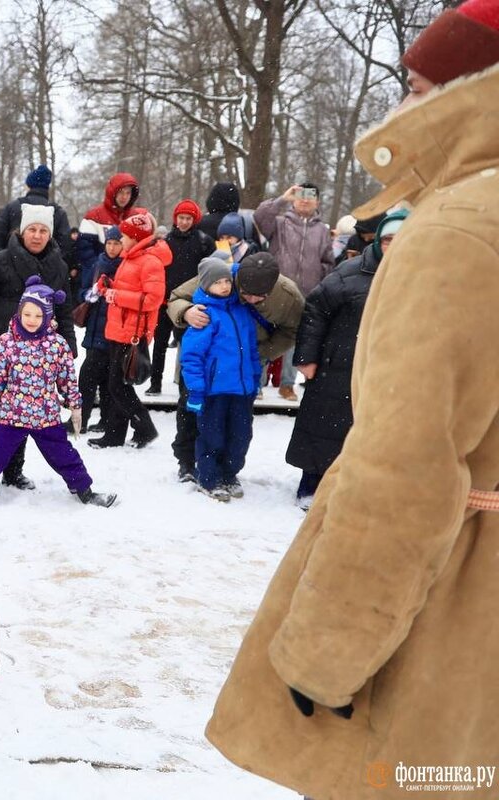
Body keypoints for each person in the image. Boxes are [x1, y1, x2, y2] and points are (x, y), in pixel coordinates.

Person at [206, 1, 499, 795]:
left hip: (453, 607)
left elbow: (405, 471)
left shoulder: (462, 232)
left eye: (416, 85)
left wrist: (326, 652)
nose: (402, 107)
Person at [0, 276, 116, 511]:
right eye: (27, 313)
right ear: (20, 311)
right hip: (11, 414)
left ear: (48, 316)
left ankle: (85, 491)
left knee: (64, 455)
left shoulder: (57, 345)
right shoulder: (7, 342)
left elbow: (67, 380)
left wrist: (76, 406)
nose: (32, 320)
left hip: (45, 416)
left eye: (39, 315)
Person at [285, 210, 407, 510]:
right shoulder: (351, 271)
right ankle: (311, 486)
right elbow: (315, 310)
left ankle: (360, 490)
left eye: (400, 239)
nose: (393, 245)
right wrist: (307, 357)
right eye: (388, 238)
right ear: (378, 240)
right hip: (338, 364)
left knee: (376, 432)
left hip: (390, 369)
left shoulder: (420, 276)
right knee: (325, 426)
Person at [0, 203, 76, 490]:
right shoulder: (0, 260)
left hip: (39, 353)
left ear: (49, 234)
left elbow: (64, 312)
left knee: (25, 413)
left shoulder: (58, 266)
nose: (37, 236)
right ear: (21, 231)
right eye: (32, 230)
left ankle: (14, 472)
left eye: (42, 231)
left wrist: (69, 347)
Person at [166, 252, 303, 482]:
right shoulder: (222, 275)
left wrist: (257, 355)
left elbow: (292, 331)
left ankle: (225, 469)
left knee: (235, 427)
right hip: (208, 361)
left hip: (245, 364)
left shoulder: (289, 296)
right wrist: (186, 312)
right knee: (192, 412)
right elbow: (176, 297)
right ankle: (187, 462)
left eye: (258, 297)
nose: (250, 300)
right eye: (245, 294)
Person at [179, 257, 260, 501]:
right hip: (215, 391)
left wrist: (255, 378)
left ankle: (229, 473)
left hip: (242, 390)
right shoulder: (204, 315)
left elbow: (252, 349)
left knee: (240, 436)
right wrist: (196, 389)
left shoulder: (242, 310)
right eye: (217, 282)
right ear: (205, 286)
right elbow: (191, 357)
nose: (224, 286)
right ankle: (209, 477)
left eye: (227, 281)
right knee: (212, 436)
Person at [87, 211, 169, 450]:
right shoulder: (131, 257)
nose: (120, 239)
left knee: (118, 385)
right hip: (119, 328)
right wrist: (109, 286)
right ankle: (115, 434)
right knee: (118, 384)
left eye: (124, 235)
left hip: (132, 332)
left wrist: (116, 295)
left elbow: (153, 299)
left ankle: (145, 427)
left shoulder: (150, 261)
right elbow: (131, 289)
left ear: (135, 237)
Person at [253, 181, 334, 401]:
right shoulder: (279, 223)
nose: (305, 199)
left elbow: (328, 261)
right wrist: (282, 198)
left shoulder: (322, 230)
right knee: (263, 336)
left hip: (305, 295)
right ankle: (256, 383)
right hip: (274, 291)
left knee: (292, 339)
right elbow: (259, 217)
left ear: (317, 201)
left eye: (310, 196)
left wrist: (322, 289)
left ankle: (287, 385)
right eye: (301, 195)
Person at [150, 199, 215, 394]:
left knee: (189, 345)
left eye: (188, 218)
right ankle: (155, 382)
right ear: (175, 218)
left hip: (191, 302)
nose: (184, 222)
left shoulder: (204, 241)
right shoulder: (165, 241)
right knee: (159, 344)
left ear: (194, 220)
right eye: (181, 217)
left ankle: (185, 384)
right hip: (165, 300)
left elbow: (212, 271)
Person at [75, 223, 122, 434]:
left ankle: (101, 419)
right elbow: (82, 291)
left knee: (104, 380)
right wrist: (92, 293)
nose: (112, 248)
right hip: (94, 329)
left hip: (112, 332)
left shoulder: (125, 267)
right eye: (110, 243)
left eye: (117, 243)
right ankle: (83, 419)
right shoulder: (97, 264)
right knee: (89, 378)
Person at [0, 164, 72, 256]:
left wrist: (4, 263)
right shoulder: (58, 212)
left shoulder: (12, 207)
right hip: (48, 267)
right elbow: (66, 245)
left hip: (14, 265)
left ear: (29, 186)